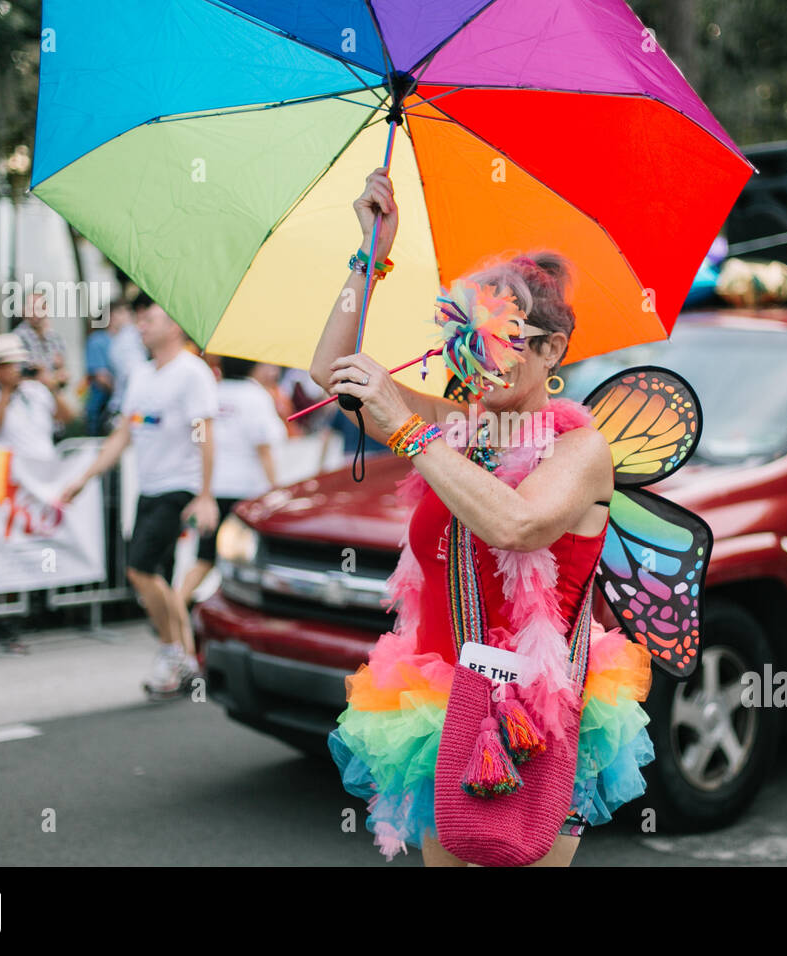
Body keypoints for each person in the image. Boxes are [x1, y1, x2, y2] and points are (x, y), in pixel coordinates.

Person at [317, 166, 653, 866]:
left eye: (503, 339)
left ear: (551, 351)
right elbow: (333, 370)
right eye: (463, 336)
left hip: (533, 713)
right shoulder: (459, 430)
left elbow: (519, 526)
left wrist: (408, 430)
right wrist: (369, 255)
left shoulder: (581, 450)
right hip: (435, 702)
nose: (478, 359)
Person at [58, 300, 219, 698]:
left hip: (177, 489)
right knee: (156, 578)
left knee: (139, 569)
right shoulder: (141, 375)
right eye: (140, 320)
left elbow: (204, 433)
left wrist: (205, 494)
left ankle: (173, 652)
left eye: (150, 319)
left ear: (176, 327)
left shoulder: (191, 372)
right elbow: (123, 435)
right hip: (146, 490)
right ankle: (187, 656)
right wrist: (84, 477)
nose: (141, 326)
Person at [175, 355, 283, 607]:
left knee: (205, 558)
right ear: (254, 365)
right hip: (246, 491)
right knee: (245, 559)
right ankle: (180, 605)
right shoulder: (256, 396)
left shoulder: (213, 392)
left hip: (213, 489)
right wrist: (275, 489)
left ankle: (178, 602)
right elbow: (264, 447)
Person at [0, 335, 74, 459]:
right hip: (9, 469)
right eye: (12, 365)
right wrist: (6, 391)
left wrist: (52, 387)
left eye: (20, 364)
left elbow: (67, 417)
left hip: (44, 464)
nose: (17, 369)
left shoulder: (34, 388)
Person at [13, 292, 70, 392]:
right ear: (24, 310)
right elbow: (15, 376)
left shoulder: (56, 339)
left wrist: (61, 375)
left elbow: (62, 372)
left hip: (53, 399)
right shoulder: (16, 339)